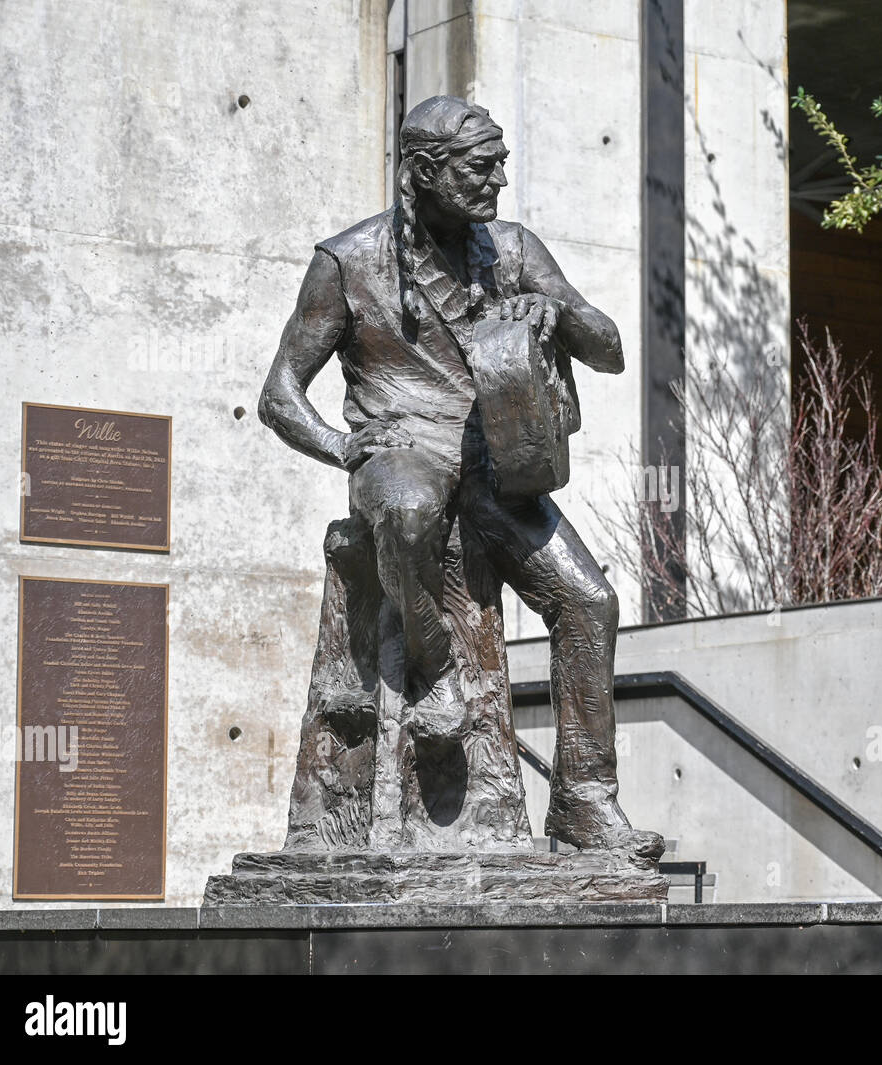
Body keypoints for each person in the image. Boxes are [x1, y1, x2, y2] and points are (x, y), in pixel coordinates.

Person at [258, 95, 662, 859]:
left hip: (494, 469)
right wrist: (343, 446)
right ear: (424, 172)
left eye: (501, 163)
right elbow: (278, 394)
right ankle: (437, 668)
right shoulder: (349, 261)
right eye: (482, 168)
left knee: (590, 602)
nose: (498, 182)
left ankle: (584, 800)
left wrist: (552, 310)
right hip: (401, 449)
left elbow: (608, 347)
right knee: (408, 511)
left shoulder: (510, 249)